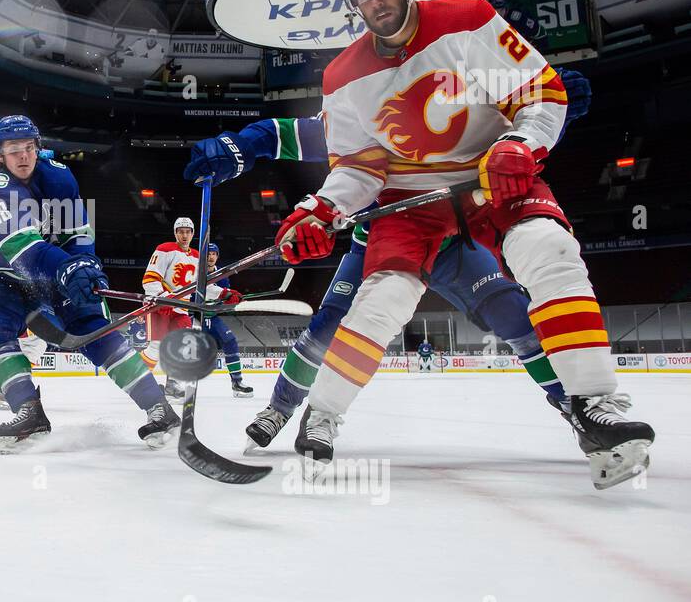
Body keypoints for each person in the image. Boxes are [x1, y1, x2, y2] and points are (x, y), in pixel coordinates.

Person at [278, 0, 652, 487]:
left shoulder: (470, 19)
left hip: (492, 171)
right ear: (353, 5)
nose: (376, 0)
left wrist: (521, 144)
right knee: (382, 298)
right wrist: (323, 207)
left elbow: (540, 92)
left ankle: (595, 405)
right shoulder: (341, 76)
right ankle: (323, 413)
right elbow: (360, 166)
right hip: (409, 198)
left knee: (547, 248)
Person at [184, 100, 589, 450]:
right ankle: (282, 408)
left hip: (455, 238)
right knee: (327, 329)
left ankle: (575, 406)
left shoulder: (448, 88)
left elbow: (514, 119)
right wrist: (238, 147)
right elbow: (287, 133)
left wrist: (542, 108)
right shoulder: (367, 105)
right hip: (383, 240)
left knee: (513, 314)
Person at [0, 115, 178, 451]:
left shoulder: (57, 177)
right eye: (14, 151)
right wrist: (66, 268)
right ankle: (28, 410)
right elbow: (21, 249)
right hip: (7, 276)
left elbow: (78, 231)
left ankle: (159, 407)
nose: (23, 157)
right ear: (0, 154)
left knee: (93, 328)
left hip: (56, 268)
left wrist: (84, 263)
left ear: (38, 148)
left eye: (29, 148)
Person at [141, 216, 198, 399]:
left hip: (181, 308)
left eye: (188, 231)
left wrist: (222, 293)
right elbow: (150, 278)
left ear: (192, 234)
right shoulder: (164, 249)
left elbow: (202, 286)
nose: (184, 235)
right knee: (156, 347)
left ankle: (172, 385)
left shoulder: (198, 256)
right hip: (161, 306)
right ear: (175, 233)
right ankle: (140, 383)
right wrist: (162, 298)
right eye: (180, 231)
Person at [203, 243, 254, 398]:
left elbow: (224, 300)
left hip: (212, 317)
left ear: (217, 256)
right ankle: (174, 386)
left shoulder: (222, 275)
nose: (211, 257)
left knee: (230, 340)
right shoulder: (195, 272)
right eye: (208, 254)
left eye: (214, 254)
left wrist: (231, 301)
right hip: (194, 316)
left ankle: (237, 383)